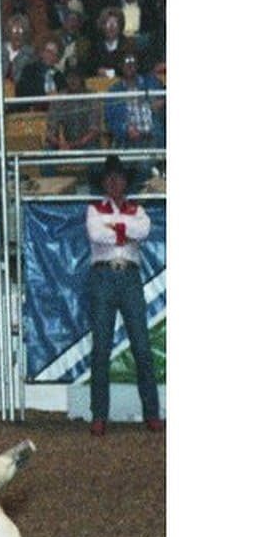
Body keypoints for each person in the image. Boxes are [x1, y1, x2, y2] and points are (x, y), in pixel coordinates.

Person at [84, 155, 162, 436]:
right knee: (101, 349)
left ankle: (152, 413)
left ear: (126, 182)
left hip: (129, 277)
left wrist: (114, 230)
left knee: (142, 347)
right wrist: (125, 233)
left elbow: (144, 230)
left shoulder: (136, 209)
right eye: (110, 177)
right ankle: (99, 415)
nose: (115, 182)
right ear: (104, 182)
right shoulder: (94, 210)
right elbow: (96, 235)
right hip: (104, 276)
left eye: (119, 177)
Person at [103, 48, 166, 156]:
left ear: (137, 65)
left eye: (132, 62)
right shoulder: (114, 91)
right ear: (120, 66)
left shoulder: (152, 82)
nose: (130, 66)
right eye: (126, 63)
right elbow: (110, 121)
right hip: (127, 141)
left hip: (153, 138)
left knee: (144, 165)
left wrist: (163, 101)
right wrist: (125, 130)